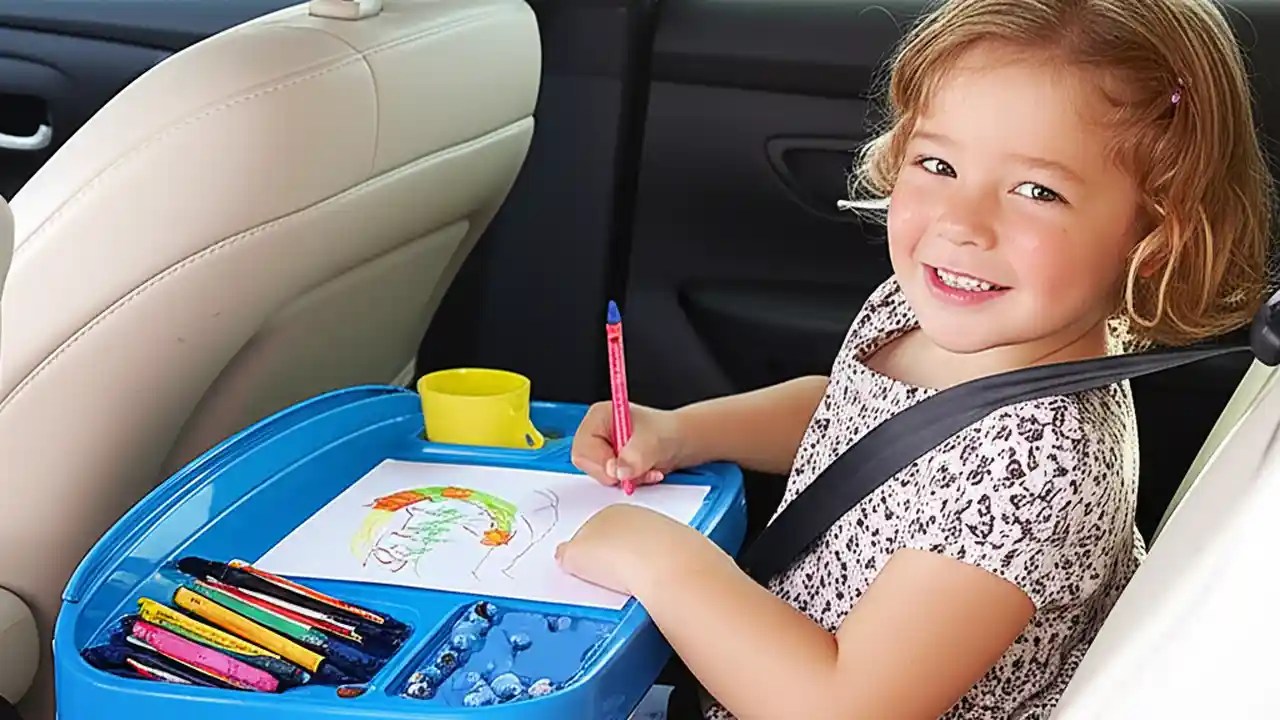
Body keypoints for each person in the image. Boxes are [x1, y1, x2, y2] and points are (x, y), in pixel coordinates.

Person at [557, 0, 1275, 718]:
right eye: (938, 163)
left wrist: (667, 560)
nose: (961, 224)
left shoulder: (1038, 469)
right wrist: (684, 431)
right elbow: (847, 409)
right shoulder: (933, 309)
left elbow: (847, 707)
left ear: (1155, 235)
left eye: (1037, 190)